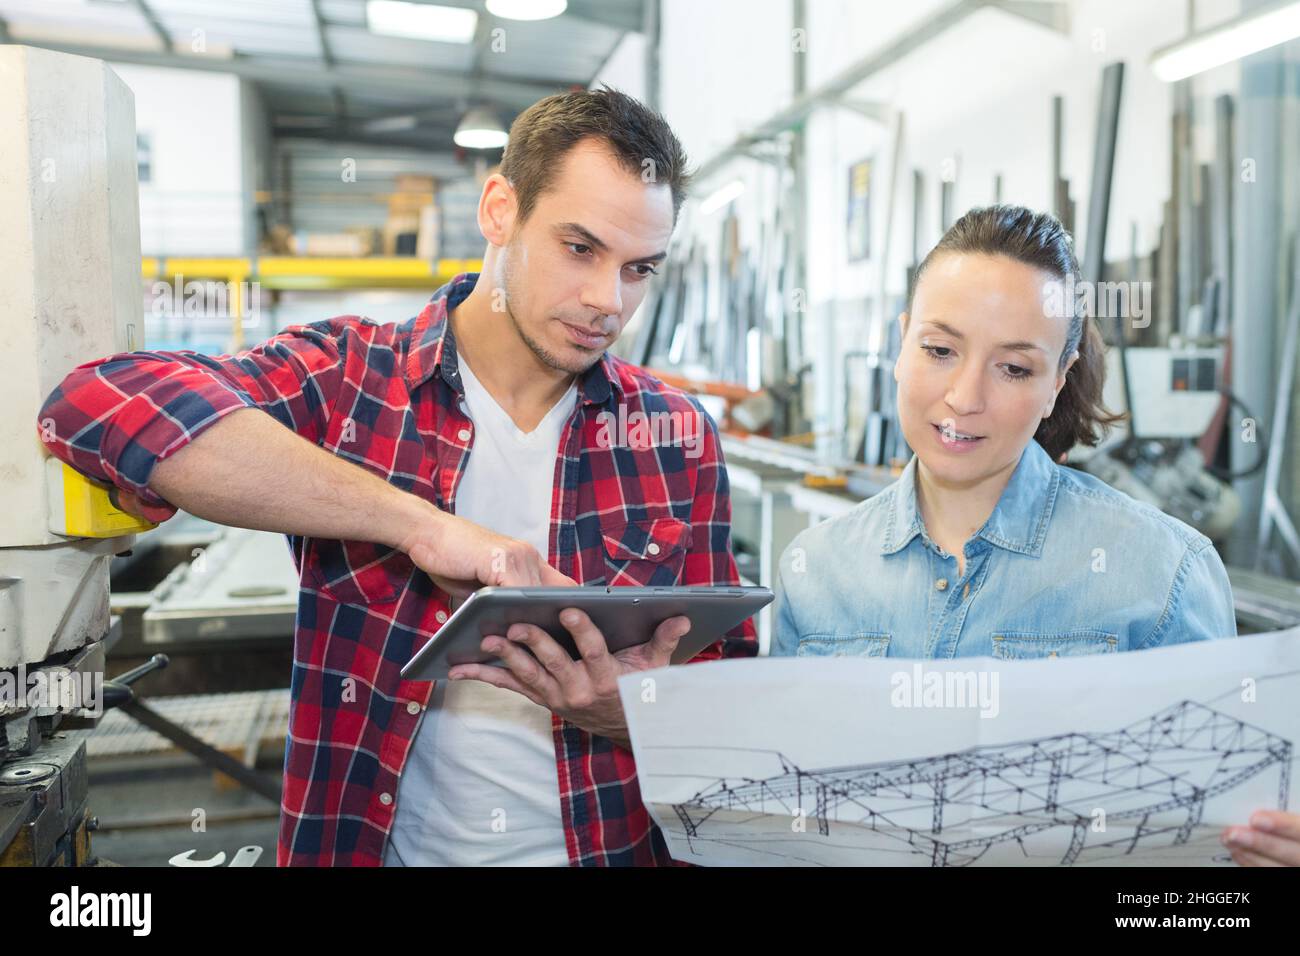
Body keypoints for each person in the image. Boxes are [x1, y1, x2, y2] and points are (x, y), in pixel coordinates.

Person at [38, 88, 756, 867]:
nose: (606, 301)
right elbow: (94, 403)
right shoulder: (351, 381)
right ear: (499, 209)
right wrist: (421, 526)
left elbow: (732, 696)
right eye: (579, 248)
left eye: (639, 268)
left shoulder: (675, 435)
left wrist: (634, 714)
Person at [770, 204, 1298, 866]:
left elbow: (1206, 859)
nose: (964, 396)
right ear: (901, 344)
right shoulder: (815, 570)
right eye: (939, 350)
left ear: (1057, 379)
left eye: (1014, 368)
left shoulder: (1164, 573)